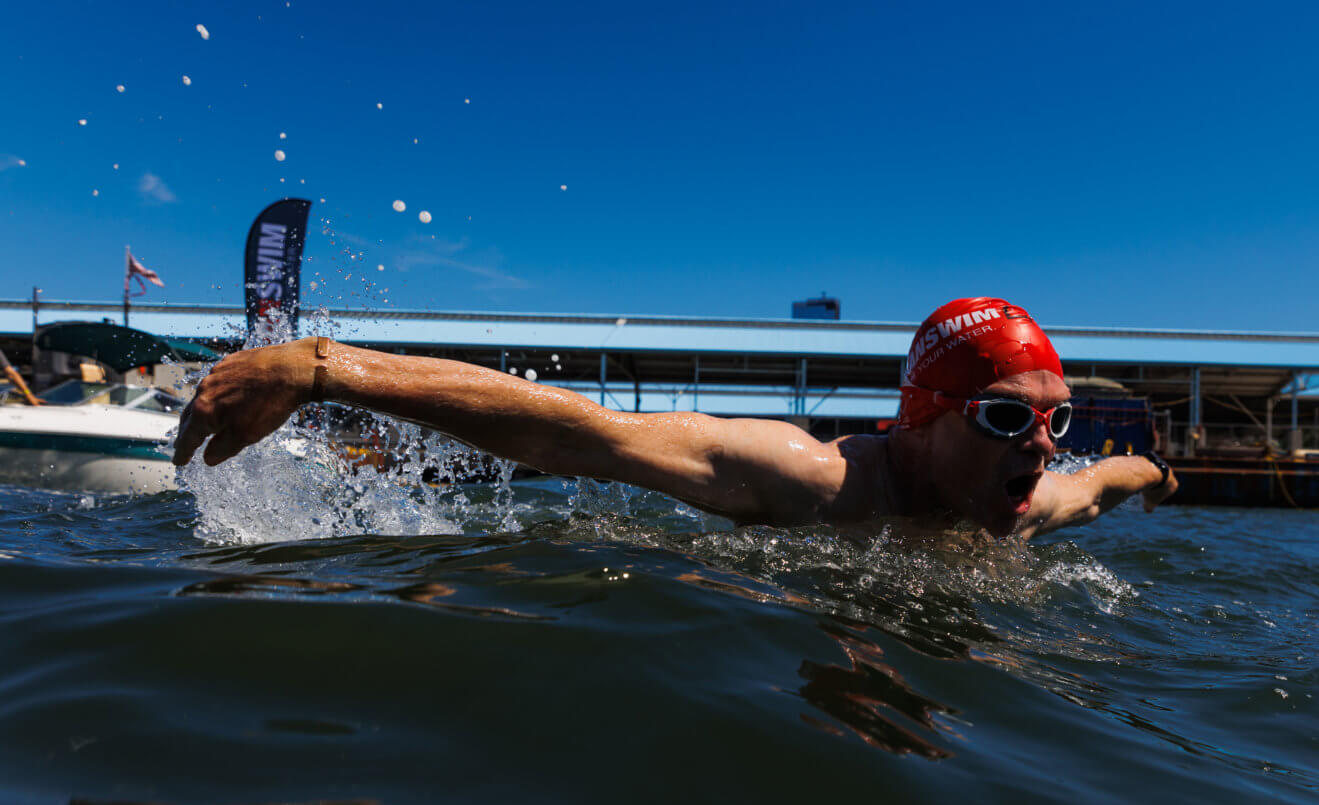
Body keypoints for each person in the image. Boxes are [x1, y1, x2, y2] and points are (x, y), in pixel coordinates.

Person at [174, 296, 1178, 539]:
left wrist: (1156, 475)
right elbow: (575, 429)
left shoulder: (1031, 500)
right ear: (921, 419)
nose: (1042, 446)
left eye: (1056, 419)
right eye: (1008, 418)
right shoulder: (809, 476)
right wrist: (321, 366)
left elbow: (1106, 479)